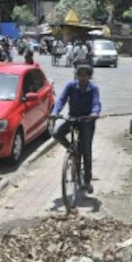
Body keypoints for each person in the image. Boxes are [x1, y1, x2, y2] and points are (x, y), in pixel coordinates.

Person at [52, 62, 102, 192]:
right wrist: (55, 112)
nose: (83, 79)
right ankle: (72, 150)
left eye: (85, 76)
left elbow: (96, 103)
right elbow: (61, 100)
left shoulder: (93, 89)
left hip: (87, 120)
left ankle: (87, 181)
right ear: (77, 76)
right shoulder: (71, 86)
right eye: (80, 76)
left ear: (89, 77)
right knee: (57, 133)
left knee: (86, 149)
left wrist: (95, 113)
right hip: (73, 118)